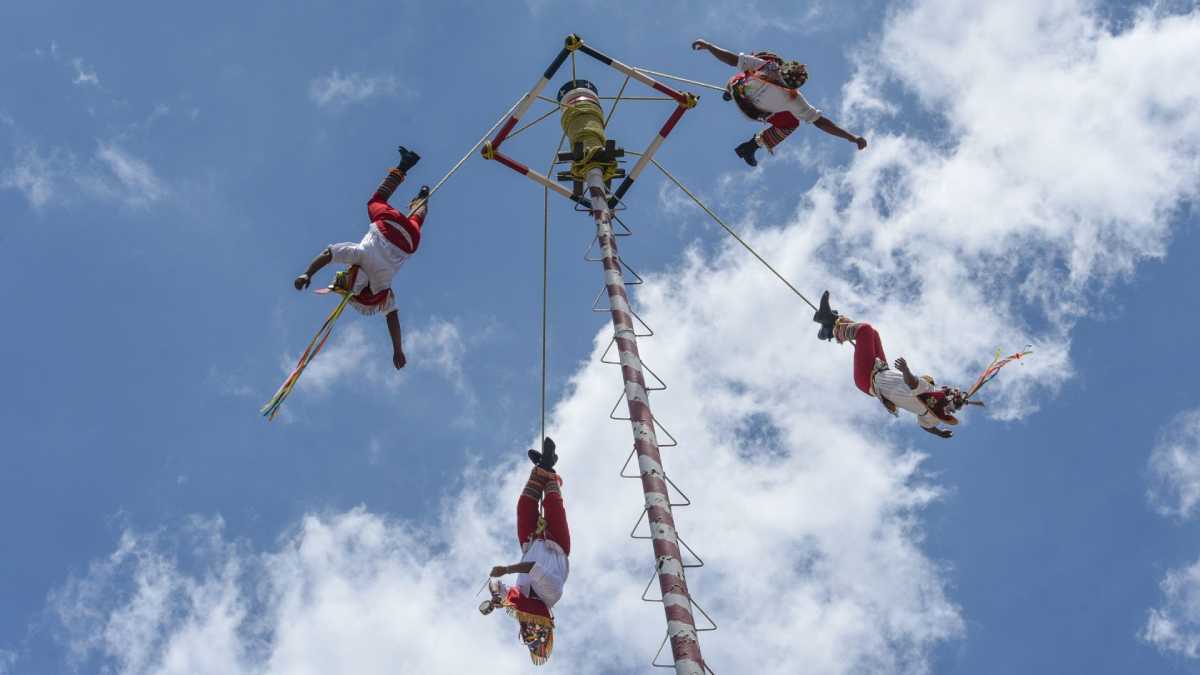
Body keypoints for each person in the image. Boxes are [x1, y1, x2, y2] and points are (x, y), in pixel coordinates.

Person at [293, 146, 429, 370]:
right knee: (376, 200)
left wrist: (397, 350)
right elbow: (328, 254)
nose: (344, 274)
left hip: (409, 241)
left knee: (415, 225)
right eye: (345, 277)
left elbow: (391, 316)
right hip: (387, 226)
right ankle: (406, 163)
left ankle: (423, 201)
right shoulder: (357, 255)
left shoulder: (380, 287)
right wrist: (307, 273)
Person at [812, 291, 967, 438]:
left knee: (864, 330)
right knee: (873, 333)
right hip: (881, 369)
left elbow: (912, 382)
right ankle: (829, 329)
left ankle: (829, 323)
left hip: (868, 379)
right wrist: (939, 433)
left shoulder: (928, 393)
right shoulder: (933, 415)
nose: (946, 388)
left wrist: (905, 370)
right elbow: (927, 427)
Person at [691, 39, 867, 166]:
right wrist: (851, 137)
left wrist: (708, 46)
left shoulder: (768, 67)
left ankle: (731, 94)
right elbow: (820, 122)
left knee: (762, 60)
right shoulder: (794, 98)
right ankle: (752, 146)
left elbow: (733, 59)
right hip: (750, 110)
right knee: (792, 123)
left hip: (738, 89)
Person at [480, 437, 571, 665]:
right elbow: (532, 568)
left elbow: (500, 588)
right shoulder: (552, 594)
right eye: (535, 625)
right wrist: (508, 569)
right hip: (556, 543)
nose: (530, 624)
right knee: (552, 502)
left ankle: (543, 466)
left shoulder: (521, 595)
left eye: (528, 627)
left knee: (524, 506)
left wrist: (494, 599)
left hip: (531, 543)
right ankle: (548, 467)